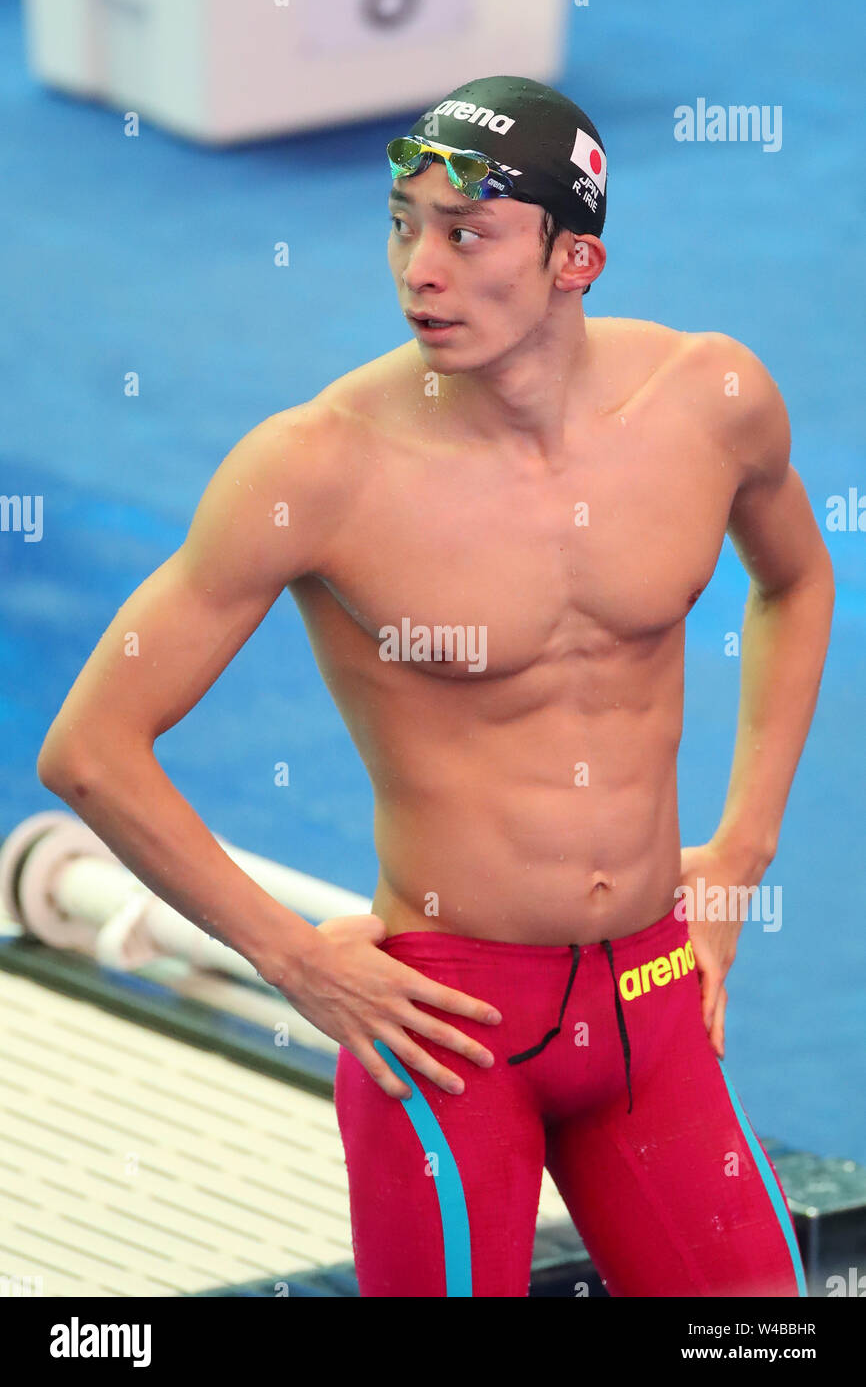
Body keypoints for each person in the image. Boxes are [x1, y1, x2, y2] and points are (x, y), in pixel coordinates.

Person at [37, 75, 833, 1298]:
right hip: (449, 1026)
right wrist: (293, 960)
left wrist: (738, 855)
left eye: (465, 234)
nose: (420, 267)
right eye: (402, 222)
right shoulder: (320, 467)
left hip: (653, 994)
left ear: (576, 258)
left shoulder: (708, 401)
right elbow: (92, 748)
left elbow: (796, 581)